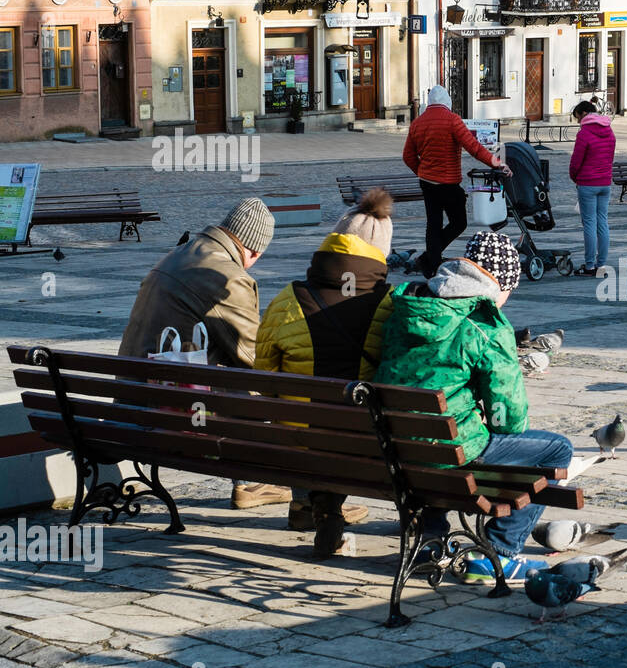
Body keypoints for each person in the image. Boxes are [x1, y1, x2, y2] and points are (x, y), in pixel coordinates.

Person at [374, 230, 572, 582]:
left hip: (396, 446)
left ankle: (431, 541)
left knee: (432, 436)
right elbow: (509, 420)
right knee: (557, 450)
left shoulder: (406, 306)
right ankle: (496, 551)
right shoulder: (484, 325)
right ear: (500, 285)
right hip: (453, 450)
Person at [119, 198, 291, 511]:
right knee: (255, 382)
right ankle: (253, 481)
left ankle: (251, 480)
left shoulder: (182, 252)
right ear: (254, 250)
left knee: (222, 369)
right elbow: (254, 356)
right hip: (165, 403)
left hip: (132, 395)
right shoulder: (227, 275)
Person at [255, 189, 397, 556]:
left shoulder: (289, 297)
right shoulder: (391, 304)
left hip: (300, 438)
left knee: (309, 420)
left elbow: (264, 373)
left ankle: (321, 508)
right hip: (368, 443)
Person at [402, 85, 510, 279]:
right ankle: (429, 260)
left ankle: (432, 263)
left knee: (433, 224)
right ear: (447, 102)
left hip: (427, 183)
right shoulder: (453, 120)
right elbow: (475, 148)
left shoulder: (417, 123)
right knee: (459, 222)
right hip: (448, 183)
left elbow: (408, 156)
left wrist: (422, 171)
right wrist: (497, 164)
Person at [568, 100, 615, 277]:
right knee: (602, 221)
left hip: (587, 183)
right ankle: (601, 265)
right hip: (605, 183)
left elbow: (576, 161)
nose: (578, 121)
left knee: (589, 223)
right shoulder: (609, 131)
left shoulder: (584, 133)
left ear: (584, 113)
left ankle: (589, 265)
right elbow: (609, 157)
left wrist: (575, 177)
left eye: (578, 117)